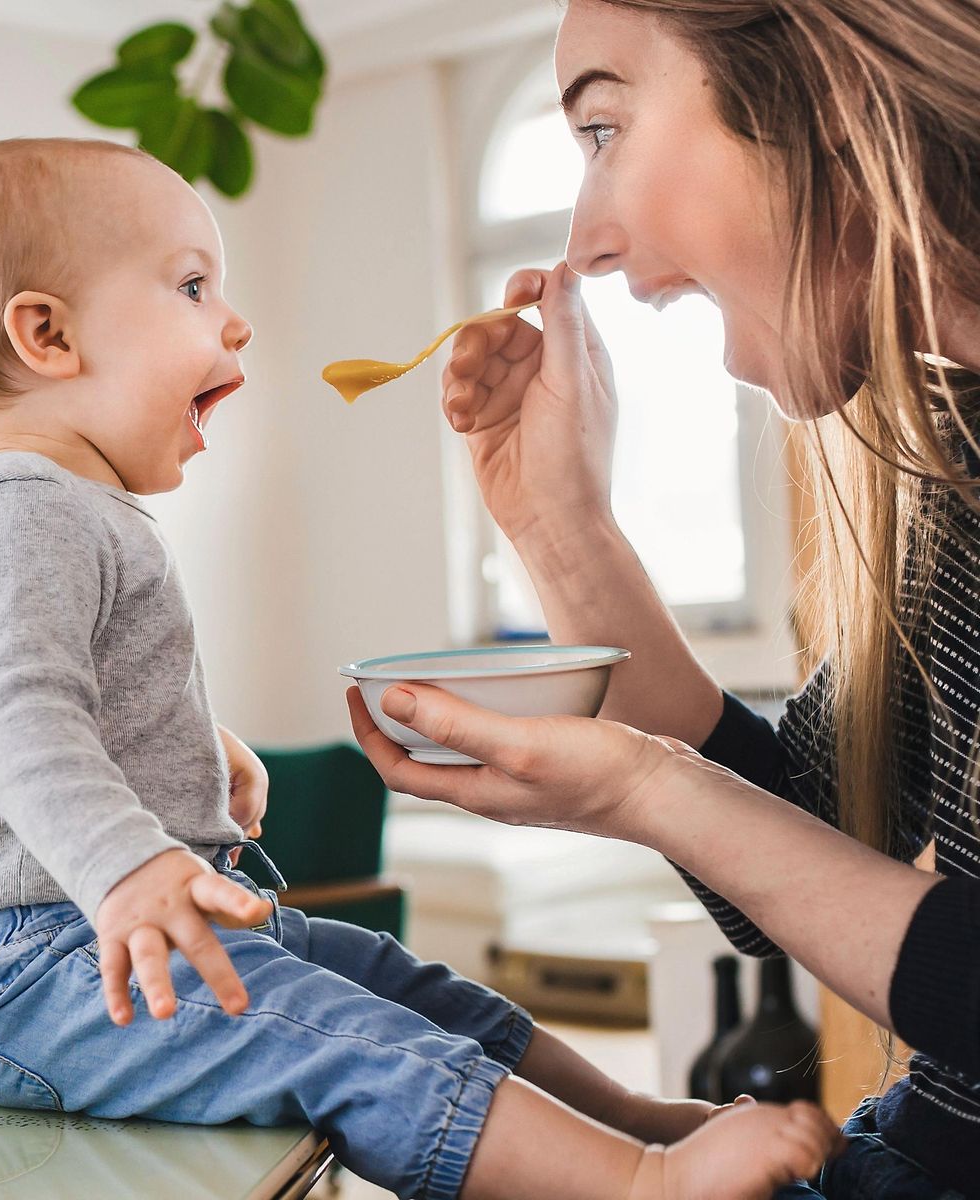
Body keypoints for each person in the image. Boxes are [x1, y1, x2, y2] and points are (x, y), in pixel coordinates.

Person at [0, 137, 840, 1200]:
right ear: (47, 335)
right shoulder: (25, 516)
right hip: (31, 972)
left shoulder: (73, 516)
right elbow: (17, 718)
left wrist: (192, 751)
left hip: (99, 937)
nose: (236, 320)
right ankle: (634, 1183)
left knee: (399, 983)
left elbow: (55, 698)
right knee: (338, 1039)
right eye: (193, 286)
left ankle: (627, 1118)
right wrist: (128, 866)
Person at [347, 1, 980, 1197]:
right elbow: (820, 842)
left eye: (601, 129)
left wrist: (650, 788)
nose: (585, 238)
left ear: (815, 86)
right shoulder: (962, 467)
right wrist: (560, 523)